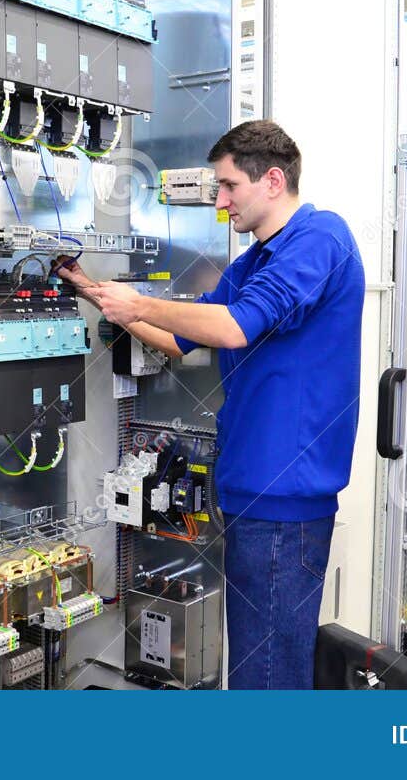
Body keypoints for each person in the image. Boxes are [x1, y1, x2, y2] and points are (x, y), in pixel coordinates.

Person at [55, 120, 365, 689]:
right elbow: (181, 340)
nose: (220, 203)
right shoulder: (253, 263)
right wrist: (103, 298)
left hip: (285, 499)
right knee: (253, 663)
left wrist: (142, 302)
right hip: (248, 487)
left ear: (273, 180)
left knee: (266, 677)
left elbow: (233, 326)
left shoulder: (321, 238)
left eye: (228, 187)